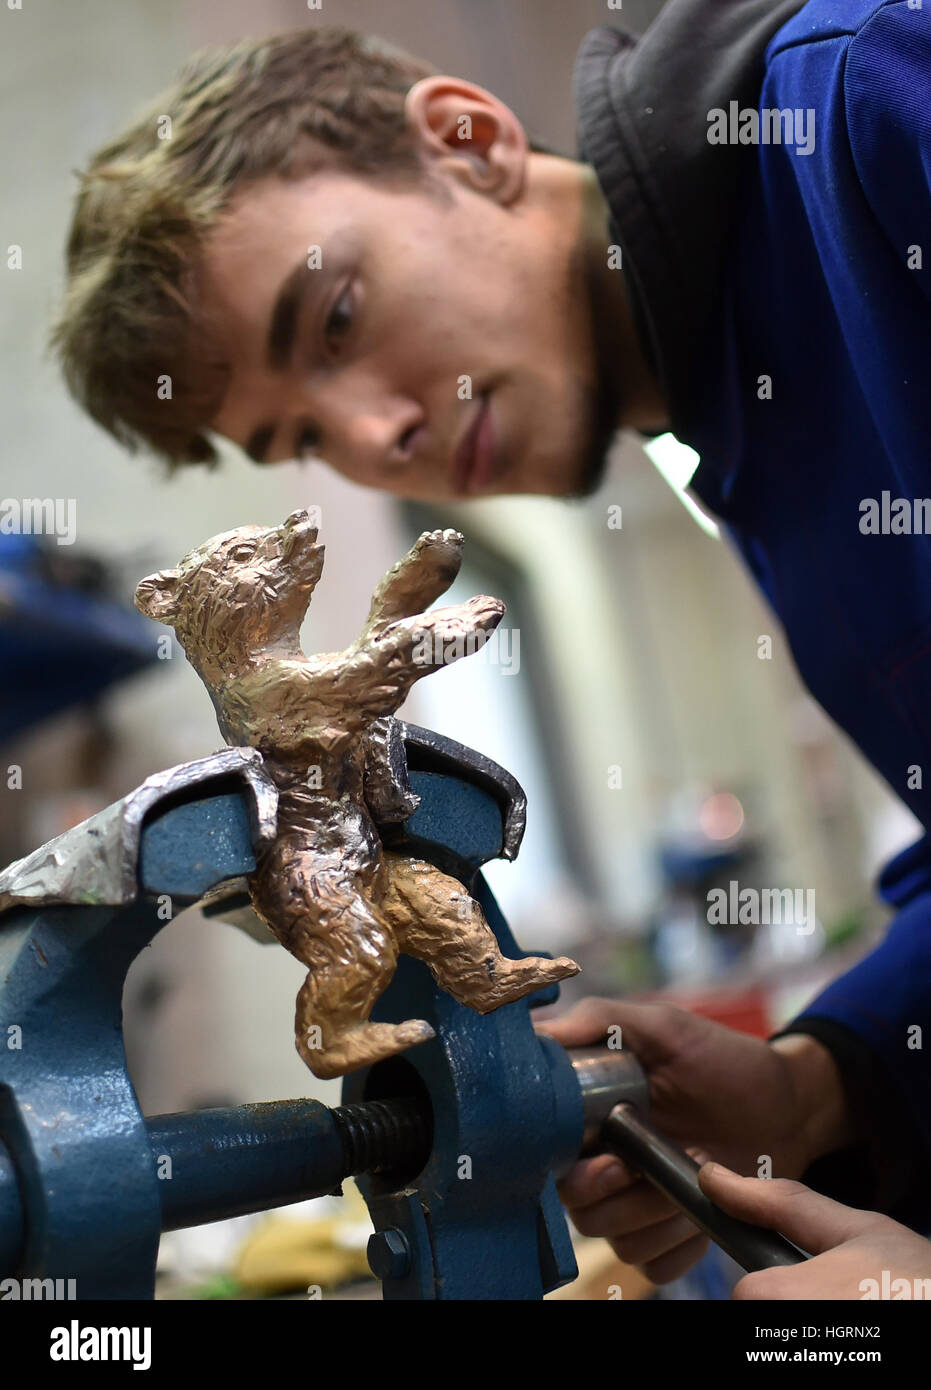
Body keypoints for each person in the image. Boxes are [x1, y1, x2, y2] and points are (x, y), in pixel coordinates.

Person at [49, 2, 931, 1297]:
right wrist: (822, 1076)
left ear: (468, 142)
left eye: (338, 315)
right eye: (299, 436)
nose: (376, 434)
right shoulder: (747, 447)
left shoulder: (864, 109)